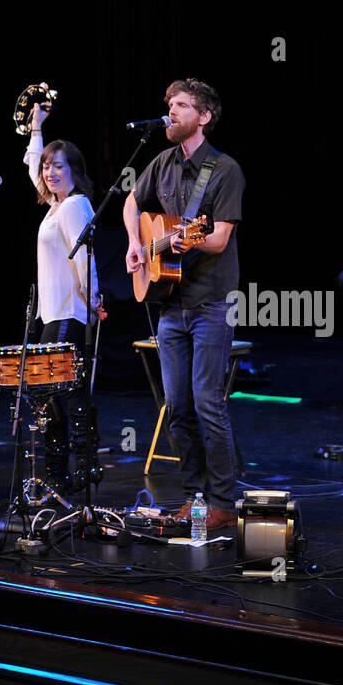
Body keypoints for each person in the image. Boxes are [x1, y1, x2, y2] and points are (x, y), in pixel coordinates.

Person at [123, 78, 244, 530]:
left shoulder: (225, 169)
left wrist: (180, 238)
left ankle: (224, 503)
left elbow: (217, 238)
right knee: (177, 404)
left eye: (180, 105)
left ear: (204, 116)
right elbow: (132, 203)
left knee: (208, 401)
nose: (170, 112)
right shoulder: (161, 162)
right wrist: (138, 244)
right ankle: (193, 495)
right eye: (168, 104)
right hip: (171, 303)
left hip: (212, 302)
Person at [23, 102, 103, 494]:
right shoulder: (56, 205)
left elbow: (84, 259)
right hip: (52, 314)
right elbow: (33, 170)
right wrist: (36, 128)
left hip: (69, 314)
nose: (50, 173)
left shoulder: (73, 206)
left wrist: (95, 301)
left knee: (61, 394)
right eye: (47, 167)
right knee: (51, 394)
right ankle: (63, 472)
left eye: (59, 167)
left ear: (75, 171)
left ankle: (76, 470)